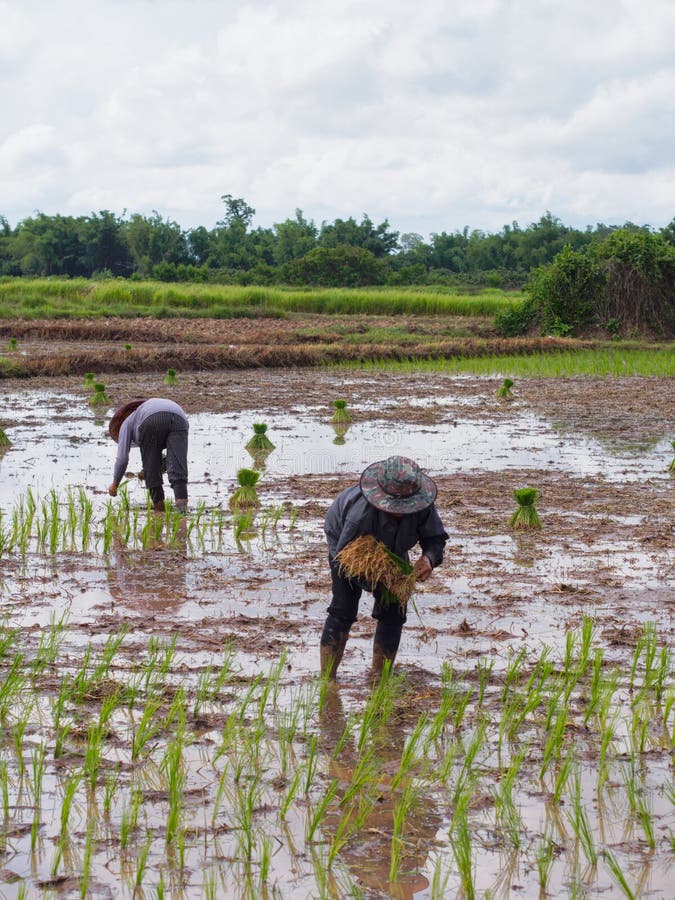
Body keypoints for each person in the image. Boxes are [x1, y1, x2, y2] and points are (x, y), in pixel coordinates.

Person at [322, 455, 448, 681]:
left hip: (393, 548)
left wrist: (428, 559)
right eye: (395, 506)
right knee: (343, 607)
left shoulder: (422, 507)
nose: (401, 511)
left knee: (394, 608)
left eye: (406, 506)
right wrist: (383, 577)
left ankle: (380, 676)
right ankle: (327, 680)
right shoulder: (360, 516)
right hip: (347, 547)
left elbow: (436, 538)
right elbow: (345, 559)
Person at [108, 398, 189, 512]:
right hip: (180, 417)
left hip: (151, 420)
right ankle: (182, 512)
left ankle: (159, 512)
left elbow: (122, 458)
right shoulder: (144, 409)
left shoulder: (125, 423)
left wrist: (115, 483)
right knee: (178, 467)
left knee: (151, 470)